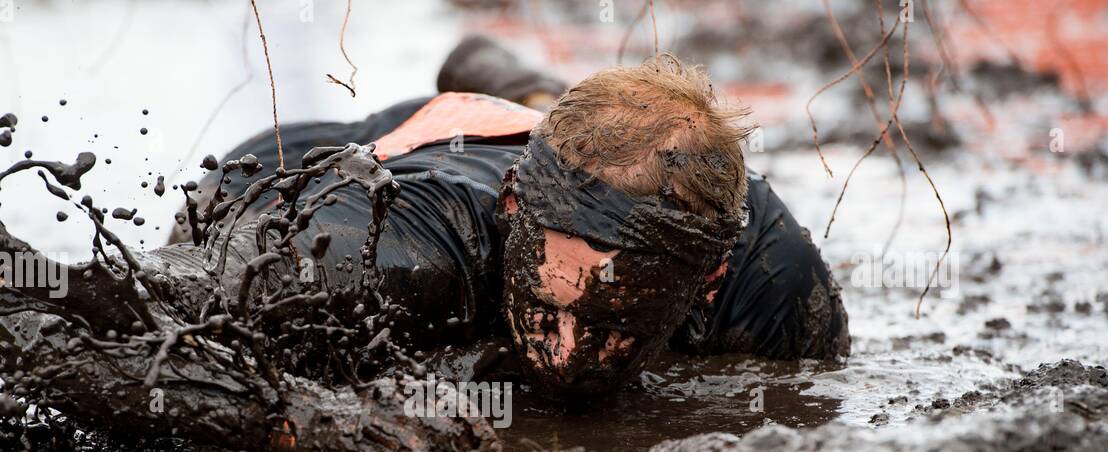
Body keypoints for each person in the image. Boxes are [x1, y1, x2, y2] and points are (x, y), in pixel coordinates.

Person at [170, 36, 849, 399]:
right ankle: (507, 85)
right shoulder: (405, 243)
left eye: (615, 325)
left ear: (709, 277)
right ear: (514, 212)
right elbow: (166, 304)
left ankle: (511, 83)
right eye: (545, 306)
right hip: (276, 177)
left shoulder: (771, 277)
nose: (566, 353)